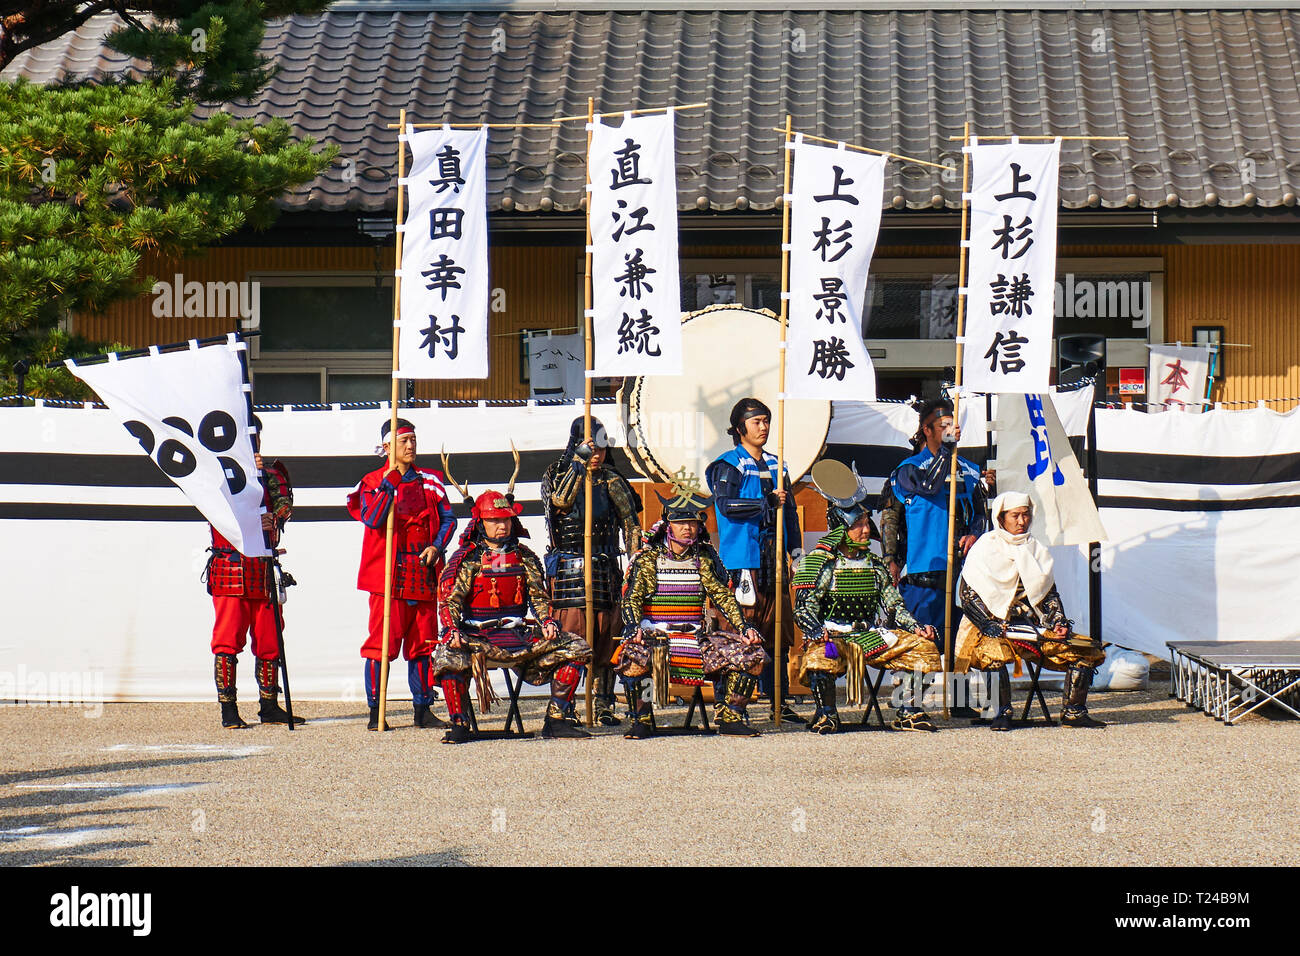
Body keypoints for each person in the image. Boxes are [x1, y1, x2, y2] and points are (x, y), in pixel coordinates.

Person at [433, 483, 593, 744]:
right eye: (495, 521)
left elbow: (539, 598)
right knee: (446, 655)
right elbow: (449, 601)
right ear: (481, 522)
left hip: (519, 635)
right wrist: (452, 629)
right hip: (478, 638)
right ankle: (460, 724)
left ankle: (555, 720)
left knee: (577, 648)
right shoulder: (467, 559)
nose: (502, 526)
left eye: (507, 519)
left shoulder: (524, 557)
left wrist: (547, 621)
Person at [794, 462, 943, 732]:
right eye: (858, 525)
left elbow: (894, 605)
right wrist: (816, 630)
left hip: (873, 636)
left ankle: (908, 709)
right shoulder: (818, 563)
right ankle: (826, 713)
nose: (865, 530)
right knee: (818, 658)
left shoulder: (875, 564)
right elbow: (803, 609)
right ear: (841, 528)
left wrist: (916, 628)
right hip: (835, 639)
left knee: (925, 649)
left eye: (866, 523)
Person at [616, 485, 768, 738]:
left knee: (752, 654)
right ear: (668, 525)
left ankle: (731, 716)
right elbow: (632, 597)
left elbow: (721, 595)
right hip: (657, 635)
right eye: (681, 522)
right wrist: (633, 627)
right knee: (634, 657)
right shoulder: (648, 559)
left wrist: (744, 627)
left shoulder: (705, 558)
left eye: (692, 523)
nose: (687, 528)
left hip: (696, 638)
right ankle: (642, 718)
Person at [955, 492, 1107, 731]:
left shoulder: (1036, 549)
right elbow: (968, 596)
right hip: (990, 628)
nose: (1021, 521)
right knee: (992, 655)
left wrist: (1058, 622)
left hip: (1032, 629)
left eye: (1026, 515)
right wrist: (989, 624)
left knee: (1087, 651)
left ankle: (1073, 711)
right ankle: (1001, 712)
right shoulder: (985, 547)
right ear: (1001, 517)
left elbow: (1049, 596)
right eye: (1015, 515)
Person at [879, 396, 989, 716]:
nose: (950, 429)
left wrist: (976, 534)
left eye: (952, 424)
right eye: (942, 426)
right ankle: (910, 702)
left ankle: (959, 700)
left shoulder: (969, 469)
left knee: (961, 640)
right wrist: (890, 557)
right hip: (923, 569)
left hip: (963, 570)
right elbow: (893, 514)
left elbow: (981, 512)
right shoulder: (908, 470)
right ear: (926, 430)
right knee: (922, 638)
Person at [346, 418, 456, 731]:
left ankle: (423, 708)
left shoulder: (431, 480)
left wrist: (437, 545)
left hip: (422, 571)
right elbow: (371, 518)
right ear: (386, 447)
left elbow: (448, 519)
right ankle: (375, 710)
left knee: (423, 644)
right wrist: (389, 483)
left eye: (413, 440)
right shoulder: (372, 481)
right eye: (404, 441)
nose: (410, 446)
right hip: (388, 576)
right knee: (382, 644)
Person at [706, 397, 804, 724]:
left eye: (765, 420)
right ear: (739, 428)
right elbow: (725, 505)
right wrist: (765, 503)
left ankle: (780, 700)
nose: (763, 427)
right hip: (742, 560)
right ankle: (729, 706)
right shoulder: (727, 464)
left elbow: (789, 515)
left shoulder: (779, 465)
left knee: (777, 631)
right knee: (738, 631)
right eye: (756, 421)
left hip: (775, 559)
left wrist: (796, 555)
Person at [541, 416, 643, 726]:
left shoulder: (612, 479)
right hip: (570, 567)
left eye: (600, 448)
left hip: (604, 565)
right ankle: (566, 704)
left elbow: (630, 521)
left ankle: (603, 703)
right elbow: (560, 500)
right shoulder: (556, 474)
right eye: (590, 447)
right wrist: (578, 463)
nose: (596, 454)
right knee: (571, 636)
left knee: (605, 635)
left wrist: (636, 556)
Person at [205, 446, 302, 729]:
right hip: (230, 566)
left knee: (270, 639)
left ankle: (269, 705)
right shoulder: (214, 475)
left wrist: (266, 490)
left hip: (263, 565)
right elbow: (215, 510)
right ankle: (228, 709)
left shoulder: (268, 473)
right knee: (227, 640)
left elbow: (284, 507)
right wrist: (248, 518)